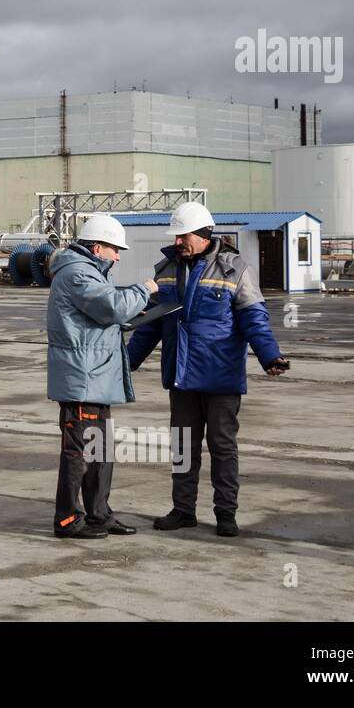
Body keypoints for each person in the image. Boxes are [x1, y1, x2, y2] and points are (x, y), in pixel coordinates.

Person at [127, 202, 290, 538]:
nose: (177, 242)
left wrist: (270, 356)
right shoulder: (166, 270)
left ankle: (225, 513)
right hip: (181, 376)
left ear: (203, 235)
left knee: (222, 447)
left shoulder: (235, 270)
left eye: (183, 235)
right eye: (175, 236)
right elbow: (148, 326)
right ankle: (183, 510)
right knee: (184, 446)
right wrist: (125, 363)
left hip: (221, 377)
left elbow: (254, 320)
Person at [47, 214, 160, 539]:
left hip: (95, 380)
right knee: (79, 454)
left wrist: (130, 308)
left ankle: (98, 514)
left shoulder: (86, 273)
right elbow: (111, 307)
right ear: (97, 248)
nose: (118, 256)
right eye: (115, 249)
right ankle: (68, 519)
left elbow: (104, 312)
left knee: (100, 452)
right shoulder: (78, 275)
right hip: (83, 382)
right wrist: (144, 289)